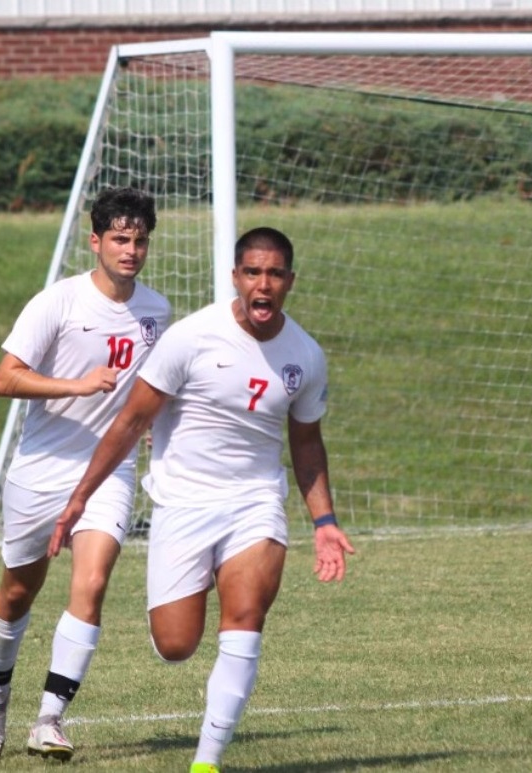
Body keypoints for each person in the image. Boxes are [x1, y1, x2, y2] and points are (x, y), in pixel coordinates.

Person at [49, 226, 356, 773]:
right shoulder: (191, 337)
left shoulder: (306, 356)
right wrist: (80, 498)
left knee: (245, 618)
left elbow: (306, 444)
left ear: (290, 281)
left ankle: (206, 763)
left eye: (276, 274)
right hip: (184, 503)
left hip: (255, 503)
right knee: (176, 644)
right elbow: (132, 420)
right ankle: (190, 588)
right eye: (253, 272)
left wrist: (324, 520)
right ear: (236, 277)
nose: (264, 284)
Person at [0, 187, 172, 761]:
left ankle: (50, 719)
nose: (131, 250)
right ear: (96, 241)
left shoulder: (157, 312)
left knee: (93, 582)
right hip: (41, 469)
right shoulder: (56, 303)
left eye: (139, 240)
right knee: (16, 592)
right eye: (120, 238)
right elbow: (4, 379)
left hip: (108, 470)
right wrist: (77, 384)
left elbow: (155, 388)